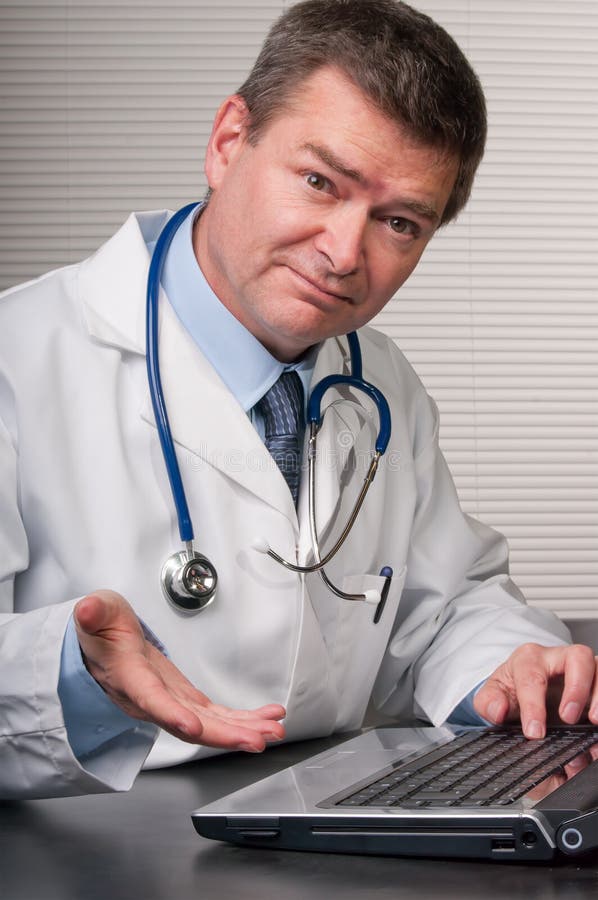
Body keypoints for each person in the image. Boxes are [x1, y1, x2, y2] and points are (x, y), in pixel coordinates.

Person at [0, 0, 596, 800]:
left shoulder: (381, 382)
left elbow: (447, 601)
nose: (345, 253)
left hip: (327, 826)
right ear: (227, 142)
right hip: (89, 847)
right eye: (320, 181)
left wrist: (508, 664)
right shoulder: (21, 354)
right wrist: (74, 673)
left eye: (399, 222)